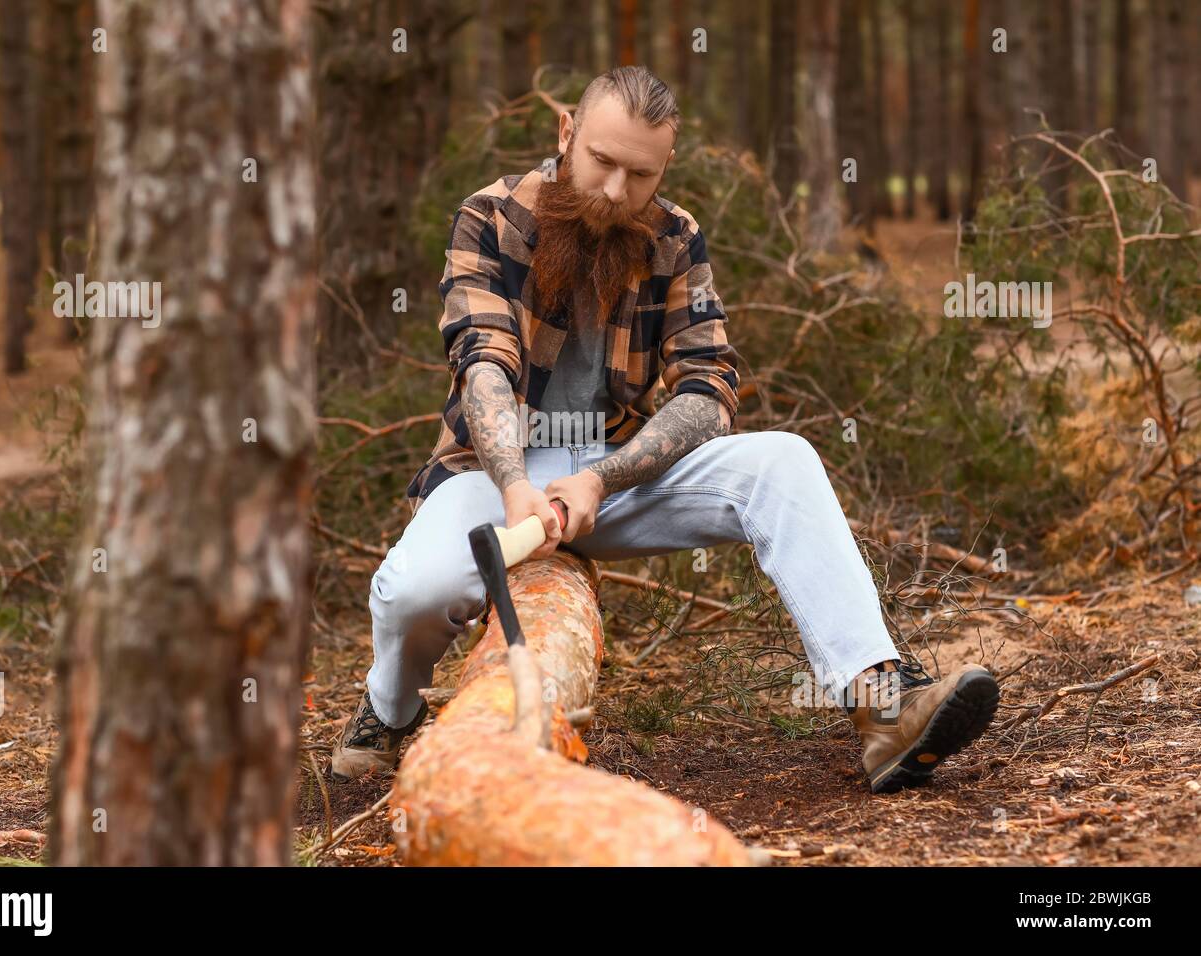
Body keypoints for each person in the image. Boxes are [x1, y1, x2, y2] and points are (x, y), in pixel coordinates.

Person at [332, 66, 999, 795]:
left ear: (665, 167)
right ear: (566, 134)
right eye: (602, 162)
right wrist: (518, 484)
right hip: (492, 474)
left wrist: (603, 476)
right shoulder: (488, 218)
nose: (617, 191)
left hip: (613, 472)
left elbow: (709, 388)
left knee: (785, 461)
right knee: (414, 591)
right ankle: (388, 710)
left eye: (639, 173)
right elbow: (481, 363)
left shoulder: (675, 237)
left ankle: (882, 704)